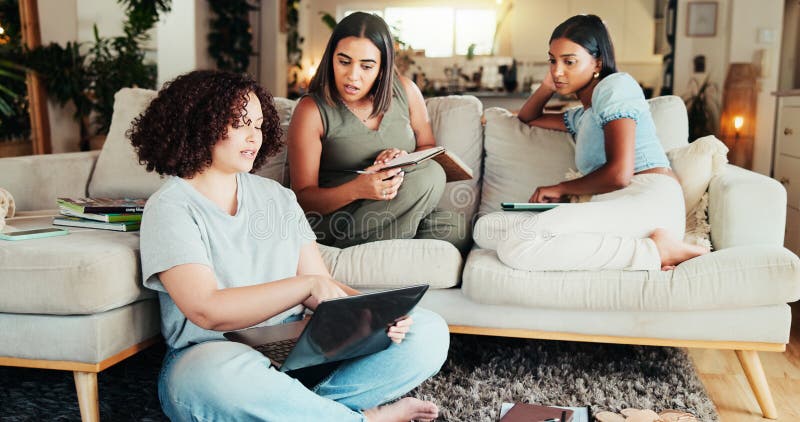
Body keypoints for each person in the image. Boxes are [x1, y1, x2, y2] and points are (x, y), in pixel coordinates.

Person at [130, 69, 448, 422]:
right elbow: (206, 310)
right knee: (212, 381)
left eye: (259, 124)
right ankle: (358, 418)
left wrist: (376, 314)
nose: (254, 136)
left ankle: (302, 411)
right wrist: (306, 286)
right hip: (216, 354)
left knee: (427, 331)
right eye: (240, 123)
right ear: (200, 122)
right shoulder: (170, 206)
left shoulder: (277, 197)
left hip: (298, 348)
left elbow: (319, 287)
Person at [474, 14, 708, 271]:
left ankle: (655, 251)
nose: (557, 71)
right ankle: (638, 250)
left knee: (517, 246)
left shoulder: (614, 87)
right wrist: (547, 85)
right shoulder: (582, 115)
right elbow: (529, 117)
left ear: (597, 62)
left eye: (569, 62)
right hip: (612, 204)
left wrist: (562, 188)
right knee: (487, 230)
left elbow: (619, 174)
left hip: (646, 197)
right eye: (552, 61)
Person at [288, 12, 467, 252]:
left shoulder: (406, 90)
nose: (353, 75)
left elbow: (427, 148)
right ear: (331, 58)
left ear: (383, 67)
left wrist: (402, 157)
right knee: (429, 176)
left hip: (398, 203)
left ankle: (382, 247)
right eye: (343, 61)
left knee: (455, 228)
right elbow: (303, 198)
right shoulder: (311, 110)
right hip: (341, 215)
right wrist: (358, 188)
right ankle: (375, 251)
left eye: (366, 66)